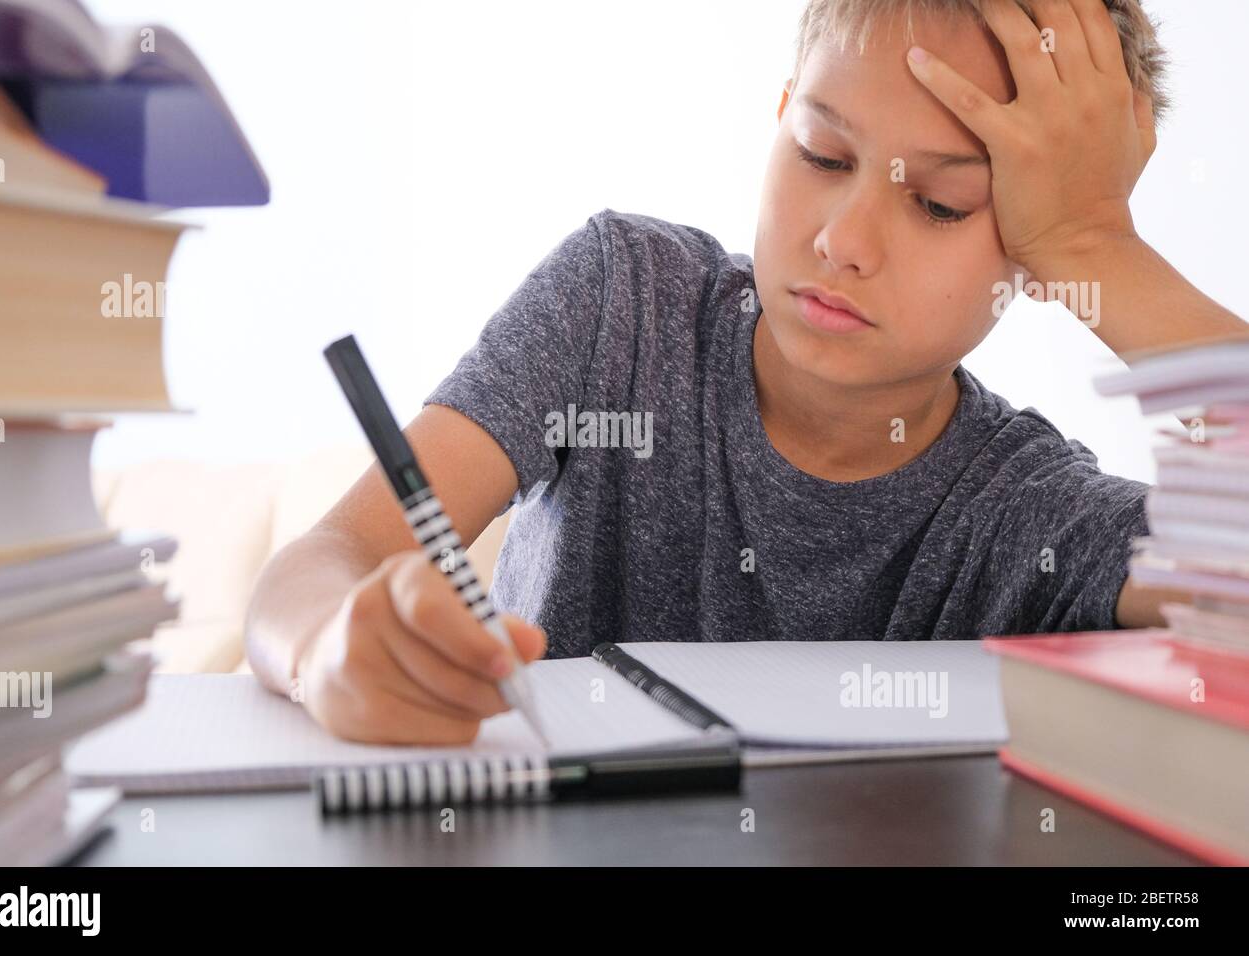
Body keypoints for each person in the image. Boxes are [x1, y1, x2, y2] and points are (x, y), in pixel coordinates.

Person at [245, 0, 1249, 743]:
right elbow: (323, 558)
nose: (843, 239)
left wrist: (1095, 247)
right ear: (778, 119)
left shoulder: (1027, 511)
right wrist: (328, 646)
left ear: (1031, 261)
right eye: (820, 152)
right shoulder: (621, 302)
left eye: (940, 205)